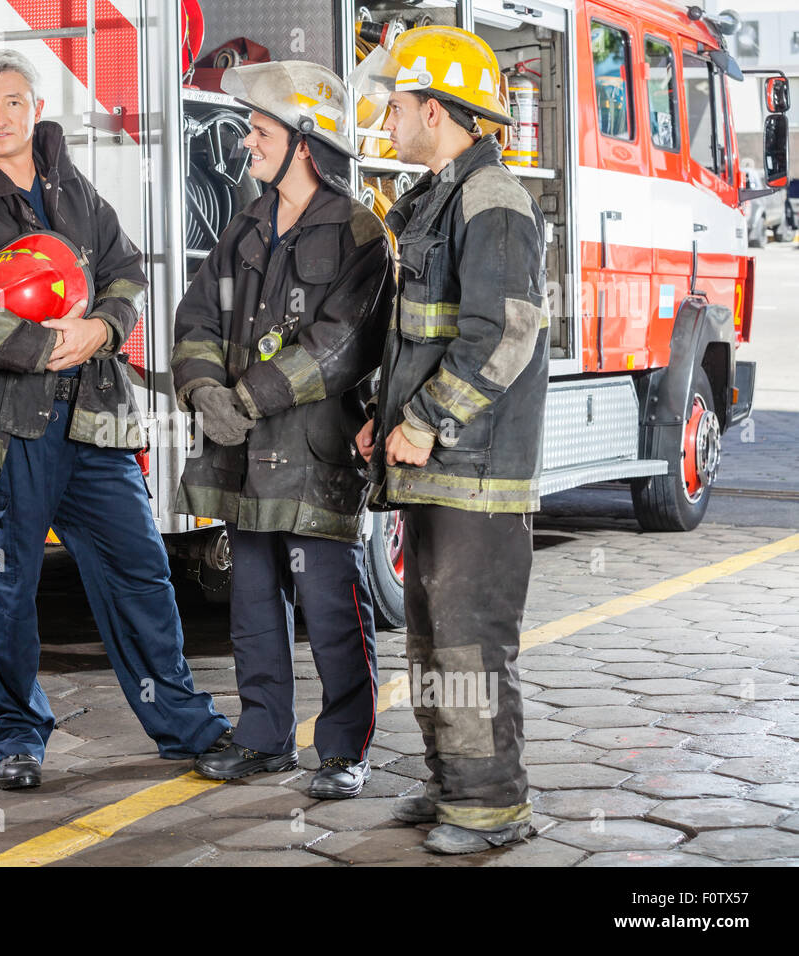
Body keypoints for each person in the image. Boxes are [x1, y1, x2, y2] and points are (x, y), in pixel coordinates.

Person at [0, 49, 231, 791]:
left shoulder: (73, 188)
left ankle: (186, 726)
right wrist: (39, 345)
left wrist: (106, 329)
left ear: (36, 107)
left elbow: (126, 270)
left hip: (93, 423)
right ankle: (18, 737)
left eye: (12, 103)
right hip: (5, 427)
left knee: (141, 571)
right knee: (10, 586)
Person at [350, 26, 549, 853]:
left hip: (475, 470)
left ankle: (491, 805)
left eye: (396, 106)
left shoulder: (491, 199)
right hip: (436, 464)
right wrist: (385, 413)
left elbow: (505, 334)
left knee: (468, 641)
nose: (386, 120)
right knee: (433, 635)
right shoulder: (436, 193)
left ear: (435, 110)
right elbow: (419, 336)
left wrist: (426, 422)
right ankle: (451, 784)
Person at [174, 61, 395, 798]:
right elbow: (197, 312)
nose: (246, 145)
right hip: (244, 456)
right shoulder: (246, 220)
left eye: (260, 132)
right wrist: (203, 386)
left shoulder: (359, 231)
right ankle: (265, 736)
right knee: (252, 601)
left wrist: (249, 398)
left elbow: (341, 344)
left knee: (332, 608)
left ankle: (343, 749)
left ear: (305, 141)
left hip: (313, 454)